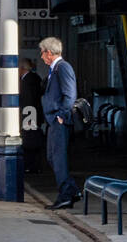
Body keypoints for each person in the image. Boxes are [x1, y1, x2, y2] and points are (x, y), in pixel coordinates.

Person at [39, 37, 81, 208]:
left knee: (58, 159)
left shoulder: (63, 67)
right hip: (53, 120)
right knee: (51, 157)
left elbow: (70, 93)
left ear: (49, 53)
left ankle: (65, 196)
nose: (41, 56)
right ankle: (72, 191)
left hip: (59, 120)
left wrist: (62, 115)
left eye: (42, 53)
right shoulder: (54, 69)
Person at [19, 58, 44, 175]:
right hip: (34, 114)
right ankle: (34, 165)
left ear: (22, 69)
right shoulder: (35, 79)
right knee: (34, 140)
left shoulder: (27, 81)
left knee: (29, 141)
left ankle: (30, 166)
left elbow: (29, 100)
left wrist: (28, 118)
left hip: (30, 115)